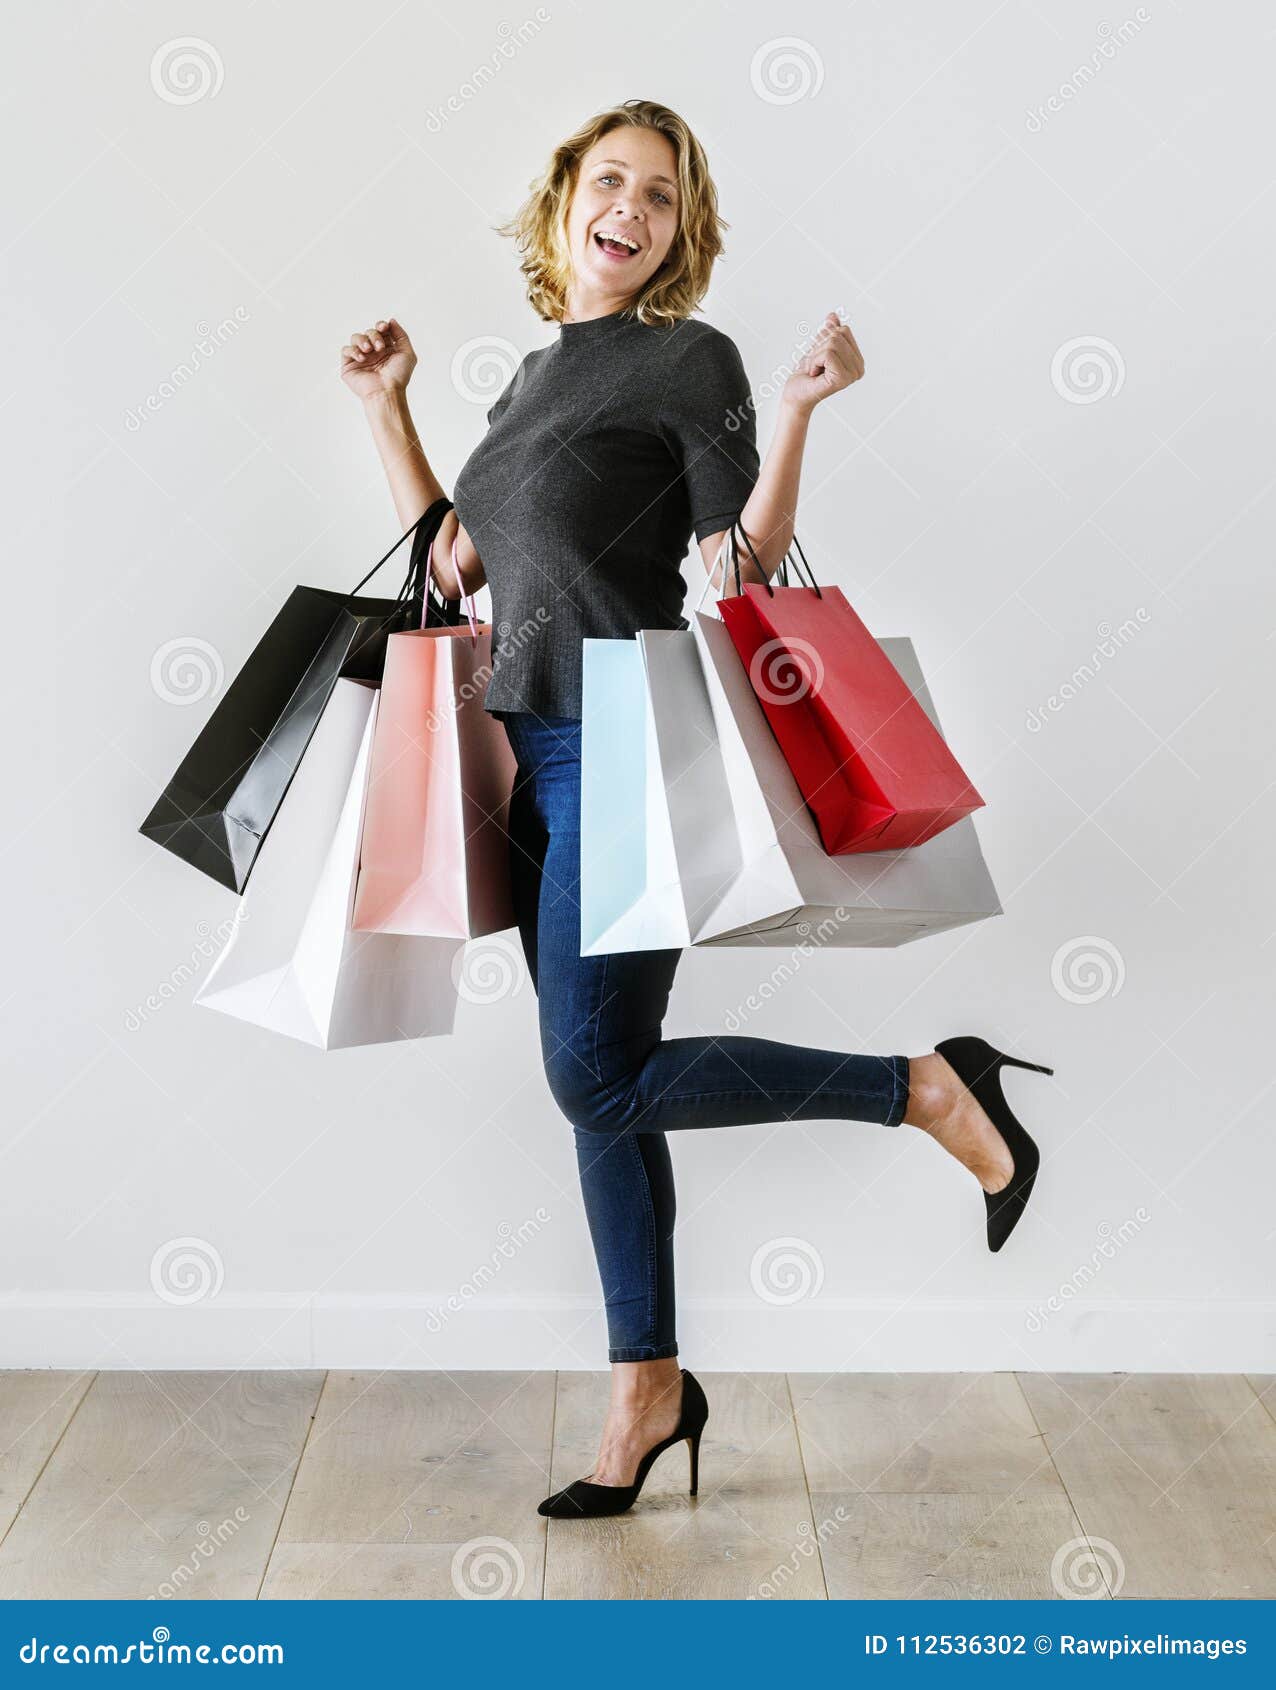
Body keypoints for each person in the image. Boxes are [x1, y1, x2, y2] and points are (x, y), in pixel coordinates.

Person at [341, 99, 1053, 1520]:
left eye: (659, 197)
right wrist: (387, 411)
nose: (630, 209)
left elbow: (744, 556)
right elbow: (463, 566)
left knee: (593, 1076)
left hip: (622, 741)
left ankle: (924, 1087)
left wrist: (790, 414)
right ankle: (646, 1387)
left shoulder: (693, 360)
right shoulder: (535, 378)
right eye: (608, 182)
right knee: (604, 1090)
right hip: (525, 754)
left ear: (679, 233)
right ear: (562, 206)